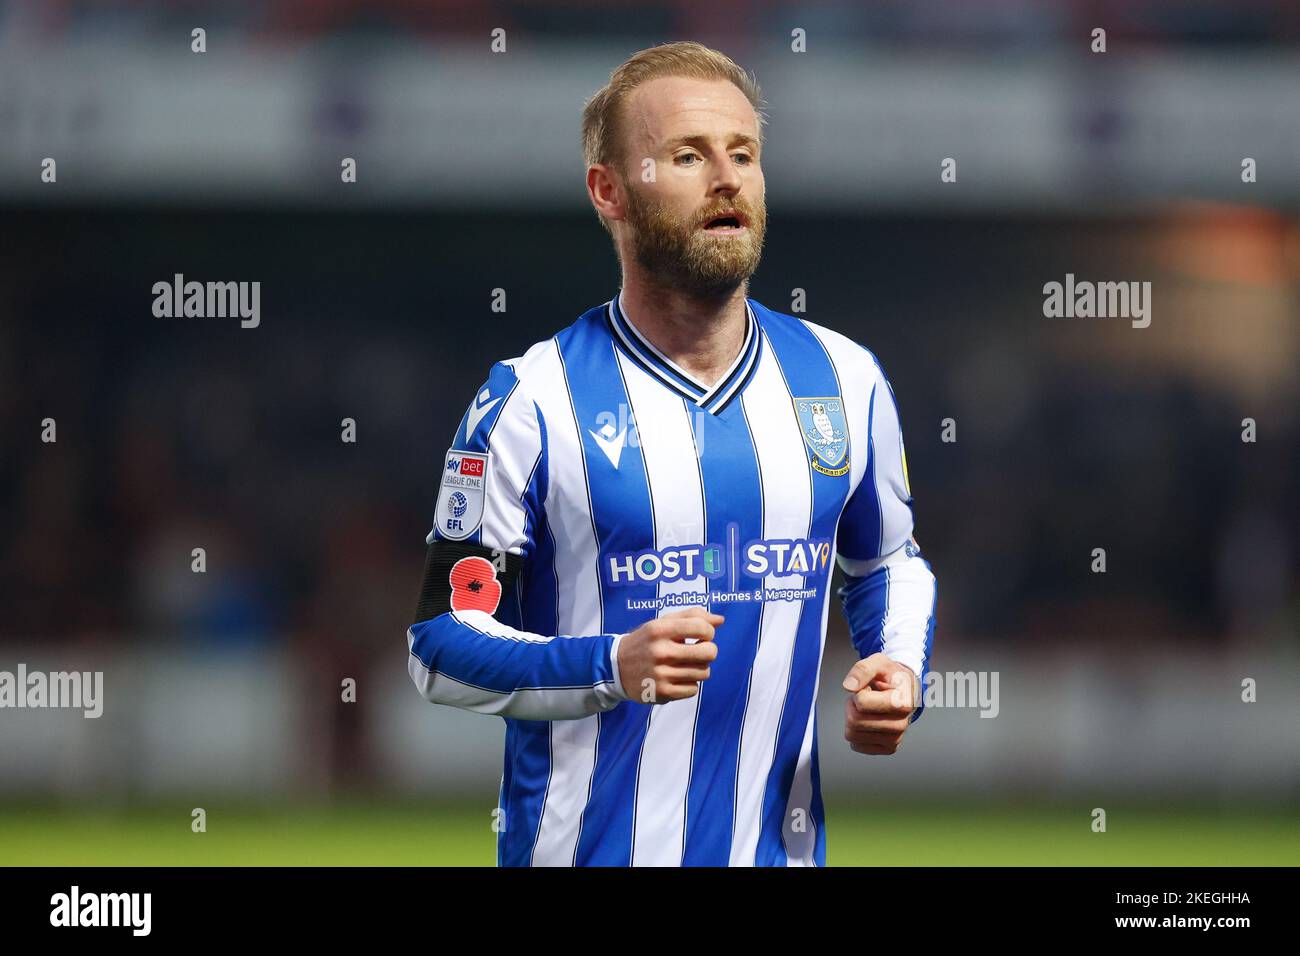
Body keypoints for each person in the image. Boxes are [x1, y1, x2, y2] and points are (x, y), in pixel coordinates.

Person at [407, 41, 936, 866]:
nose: (727, 178)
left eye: (745, 155)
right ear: (609, 191)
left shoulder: (844, 379)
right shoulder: (530, 401)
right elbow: (439, 647)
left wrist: (898, 668)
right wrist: (611, 664)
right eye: (688, 156)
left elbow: (887, 562)